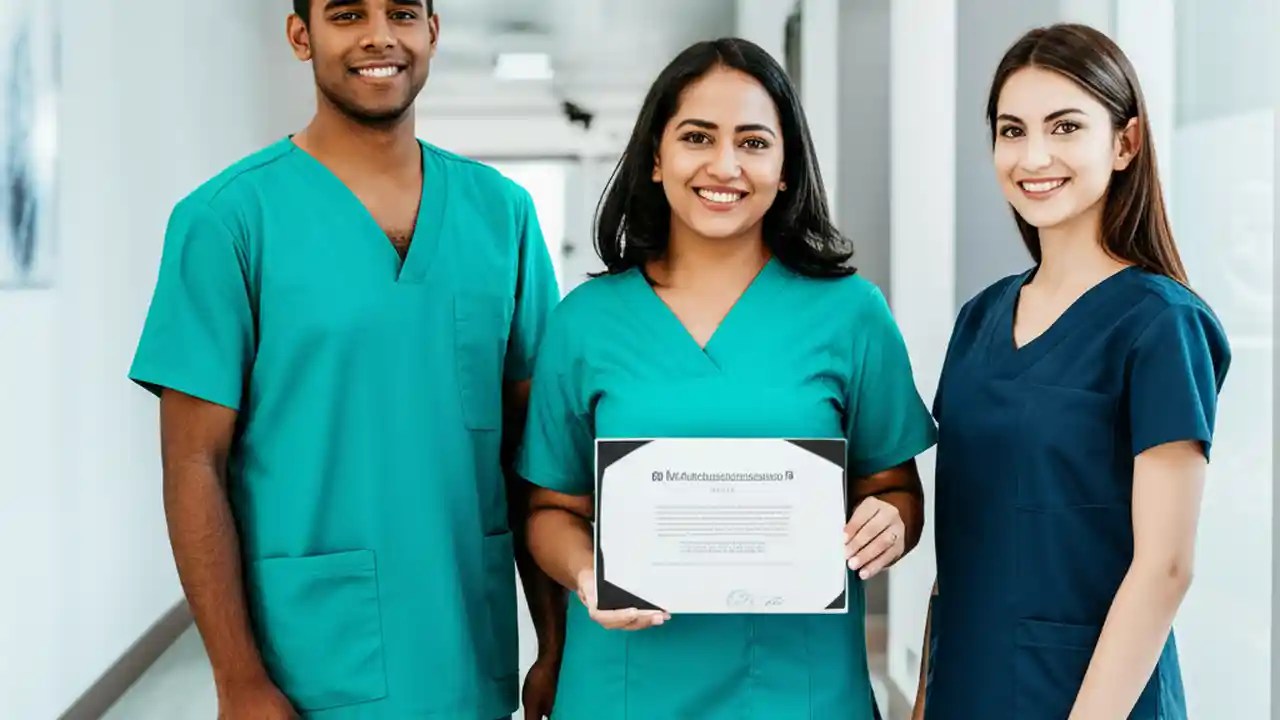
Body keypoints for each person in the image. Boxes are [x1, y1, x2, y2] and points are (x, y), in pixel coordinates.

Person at [128, 1, 565, 718]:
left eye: (401, 12)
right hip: (307, 664)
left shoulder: (502, 215)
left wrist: (554, 642)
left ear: (432, 31)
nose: (378, 36)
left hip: (468, 649)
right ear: (302, 36)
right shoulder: (227, 220)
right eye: (347, 14)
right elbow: (193, 464)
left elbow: (534, 452)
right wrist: (237, 678)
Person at [515, 37, 937, 720]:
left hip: (798, 690)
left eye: (752, 142)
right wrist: (591, 577)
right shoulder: (585, 323)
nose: (724, 165)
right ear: (656, 158)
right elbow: (550, 510)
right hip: (626, 688)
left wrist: (890, 522)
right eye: (697, 137)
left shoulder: (852, 314)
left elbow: (894, 489)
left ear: (786, 164)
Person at [913, 23, 1231, 720]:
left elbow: (1166, 567)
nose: (1034, 156)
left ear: (1125, 143)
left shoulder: (1158, 323)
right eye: (1011, 130)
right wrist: (925, 699)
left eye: (1064, 127)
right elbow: (965, 541)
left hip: (1093, 702)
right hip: (968, 688)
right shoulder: (980, 319)